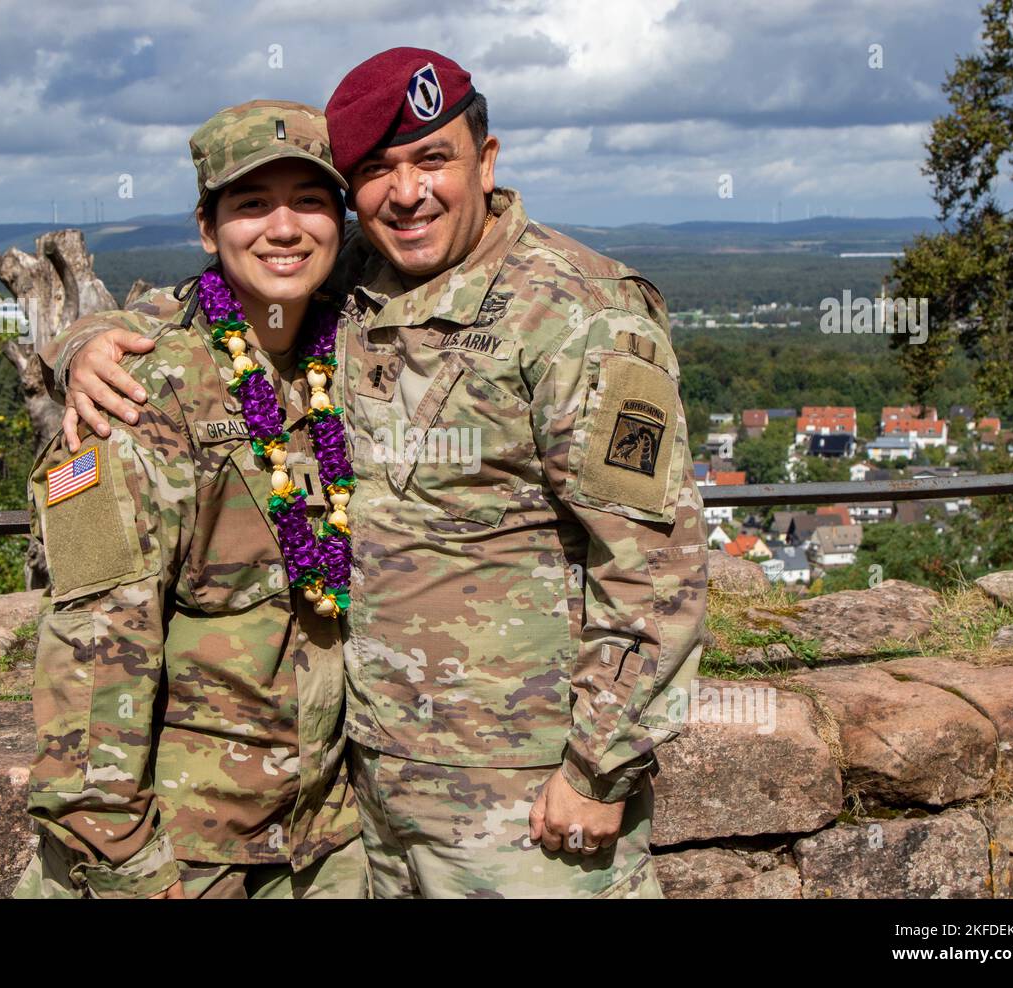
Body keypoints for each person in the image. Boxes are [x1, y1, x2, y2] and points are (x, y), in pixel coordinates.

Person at [46, 48, 708, 899]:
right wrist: (81, 345)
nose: (408, 193)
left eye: (434, 159)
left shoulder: (580, 314)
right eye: (377, 171)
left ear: (488, 161)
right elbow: (218, 298)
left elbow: (655, 566)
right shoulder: (354, 283)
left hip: (524, 795)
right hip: (365, 806)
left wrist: (599, 770)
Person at [13, 100, 369, 899]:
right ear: (208, 229)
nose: (283, 228)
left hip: (326, 838)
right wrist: (127, 868)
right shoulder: (137, 399)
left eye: (309, 202)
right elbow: (93, 658)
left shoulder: (354, 353)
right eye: (250, 205)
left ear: (340, 223)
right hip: (183, 851)